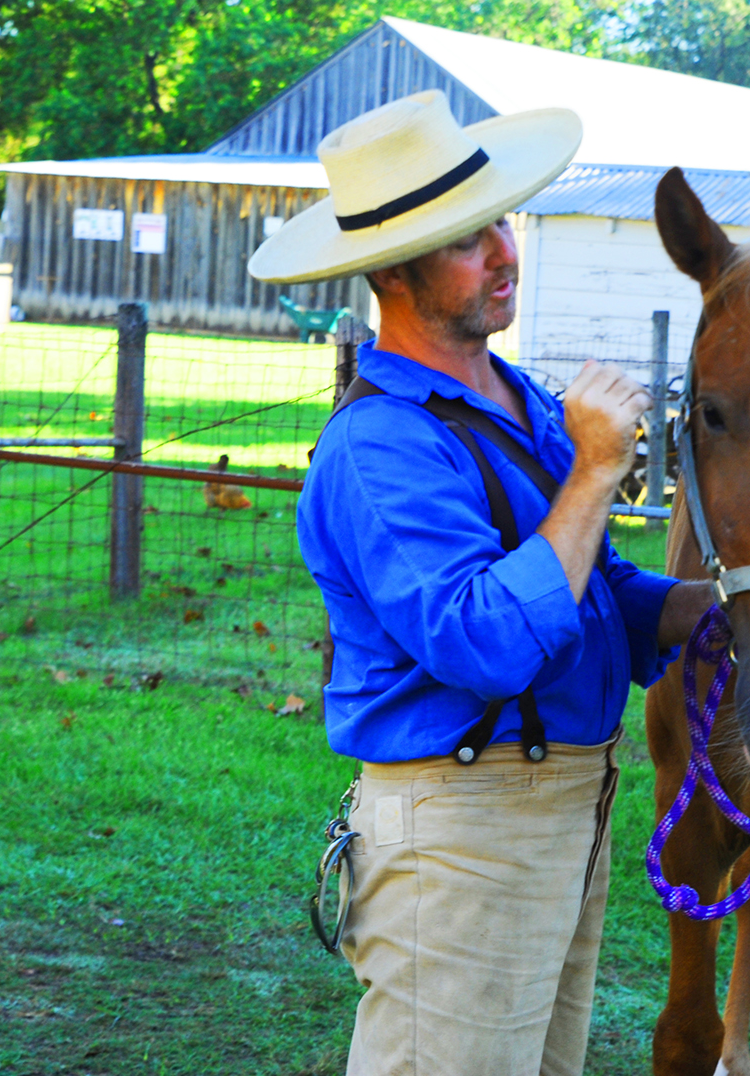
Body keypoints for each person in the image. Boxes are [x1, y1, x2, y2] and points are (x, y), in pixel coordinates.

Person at [250, 89, 712, 1076]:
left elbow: (594, 593)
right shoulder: (381, 448)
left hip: (562, 810)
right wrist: (593, 473)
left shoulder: (517, 399)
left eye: (499, 219)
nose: (505, 252)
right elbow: (484, 642)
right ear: (391, 272)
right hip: (462, 830)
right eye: (468, 240)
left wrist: (734, 611)